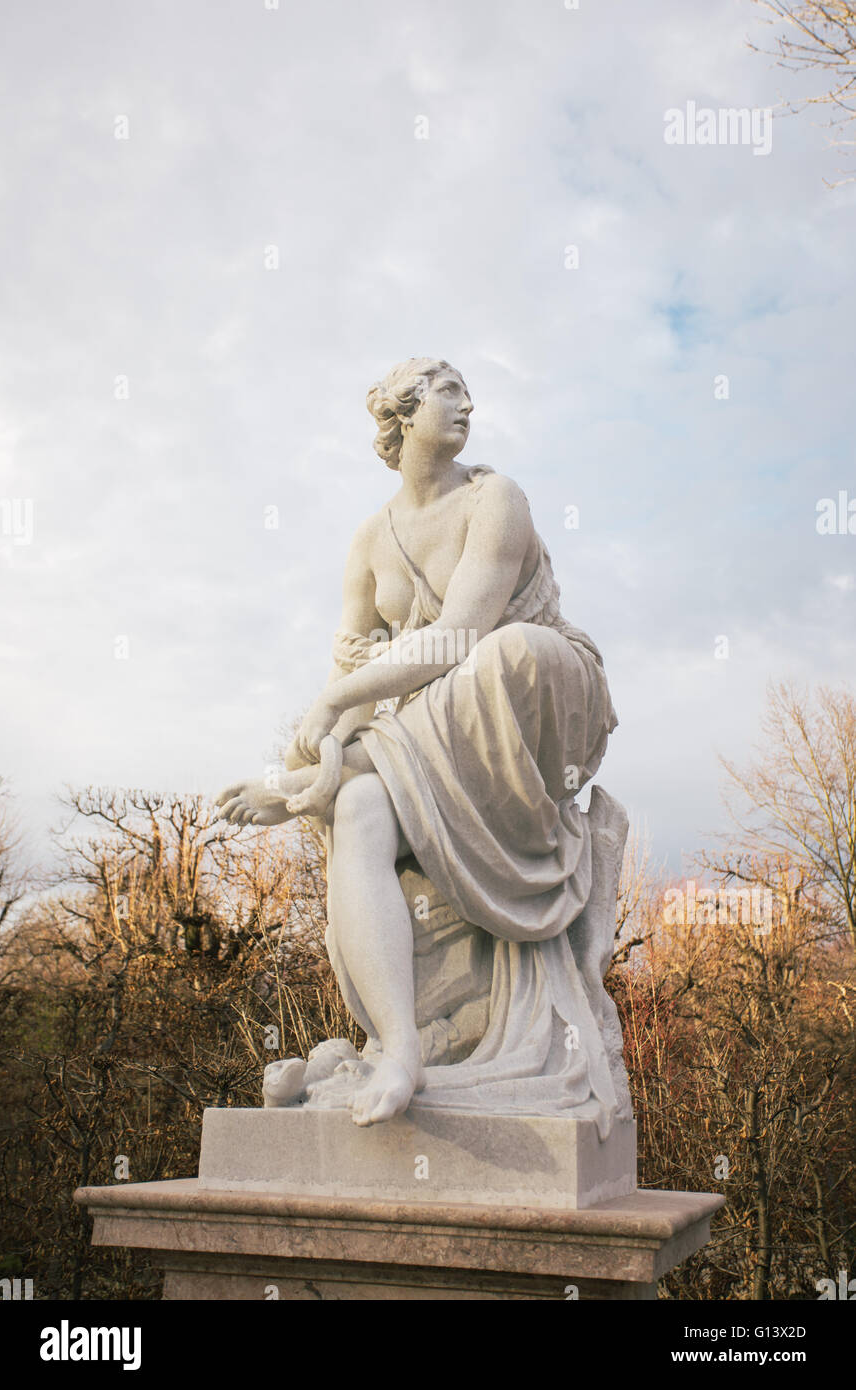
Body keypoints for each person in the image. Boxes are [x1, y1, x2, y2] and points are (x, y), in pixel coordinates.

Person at [218, 358, 620, 1127]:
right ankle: (399, 1050)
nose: (468, 404)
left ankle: (314, 788)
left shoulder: (495, 497)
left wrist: (338, 703)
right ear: (401, 414)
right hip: (434, 725)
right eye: (448, 392)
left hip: (537, 695)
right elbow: (348, 670)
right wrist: (319, 749)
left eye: (468, 394)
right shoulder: (371, 540)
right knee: (361, 807)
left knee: (506, 652)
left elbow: (460, 635)